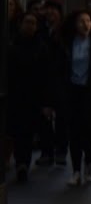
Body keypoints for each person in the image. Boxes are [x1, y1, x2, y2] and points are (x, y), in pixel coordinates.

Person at [49, 8, 91, 187]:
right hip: (72, 90)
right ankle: (76, 170)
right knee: (74, 131)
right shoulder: (67, 44)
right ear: (74, 25)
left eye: (89, 21)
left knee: (89, 131)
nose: (86, 25)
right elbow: (58, 68)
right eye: (82, 21)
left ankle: (88, 162)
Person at [5, 12, 51, 183]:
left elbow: (46, 75)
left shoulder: (41, 47)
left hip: (34, 96)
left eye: (33, 23)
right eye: (27, 22)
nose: (30, 26)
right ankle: (21, 162)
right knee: (18, 131)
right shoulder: (13, 45)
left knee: (28, 131)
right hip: (16, 95)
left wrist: (46, 101)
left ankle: (23, 162)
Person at [34, 0, 68, 167]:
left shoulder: (63, 32)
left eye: (54, 10)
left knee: (61, 117)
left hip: (60, 78)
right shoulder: (41, 30)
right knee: (44, 117)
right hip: (44, 77)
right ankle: (47, 151)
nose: (50, 13)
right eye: (48, 10)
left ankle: (61, 150)